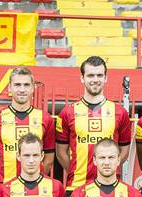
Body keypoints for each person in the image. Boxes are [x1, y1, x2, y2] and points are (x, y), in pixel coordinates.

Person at [56, 56, 132, 189]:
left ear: (105, 78)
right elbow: (60, 152)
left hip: (110, 187)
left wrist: (110, 169)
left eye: (99, 75)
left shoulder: (120, 112)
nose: (95, 80)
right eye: (90, 75)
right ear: (82, 78)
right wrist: (75, 170)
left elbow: (124, 150)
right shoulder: (67, 113)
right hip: (77, 186)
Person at [0, 66, 55, 181]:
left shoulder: (46, 119)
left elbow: (49, 159)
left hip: (36, 189)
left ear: (32, 88)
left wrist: (34, 181)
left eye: (26, 85)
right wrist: (2, 184)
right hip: (5, 191)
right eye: (17, 85)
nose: (22, 89)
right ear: (9, 88)